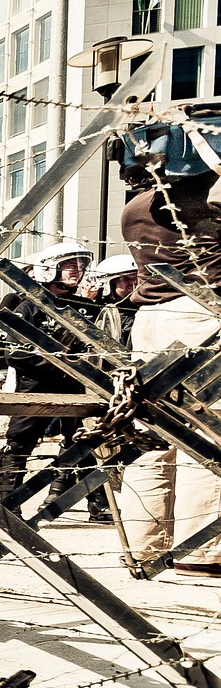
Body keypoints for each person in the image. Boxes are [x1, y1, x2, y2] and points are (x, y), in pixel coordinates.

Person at [118, 170, 221, 577]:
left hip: (152, 319)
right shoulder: (205, 200)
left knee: (153, 436)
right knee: (207, 433)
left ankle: (145, 548)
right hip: (203, 314)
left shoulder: (135, 207)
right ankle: (202, 552)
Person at [0, 241, 107, 521]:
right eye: (70, 264)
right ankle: (9, 505)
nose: (76, 270)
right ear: (49, 268)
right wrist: (62, 364)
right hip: (36, 385)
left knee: (82, 441)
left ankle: (94, 503)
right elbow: (16, 354)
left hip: (76, 385)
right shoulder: (29, 307)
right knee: (19, 443)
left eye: (80, 264)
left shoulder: (82, 307)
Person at [88, 252, 141, 348]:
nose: (133, 282)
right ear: (108, 284)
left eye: (135, 277)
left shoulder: (144, 311)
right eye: (125, 278)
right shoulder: (95, 313)